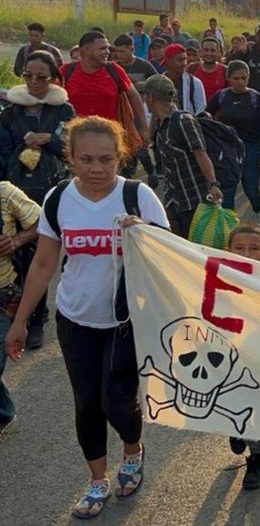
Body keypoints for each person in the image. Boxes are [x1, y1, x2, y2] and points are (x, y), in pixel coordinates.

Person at [4, 116, 170, 519]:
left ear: (121, 158)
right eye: (87, 160)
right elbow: (44, 263)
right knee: (86, 405)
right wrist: (20, 320)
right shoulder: (59, 199)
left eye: (107, 160)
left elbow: (171, 256)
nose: (97, 169)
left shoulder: (137, 196)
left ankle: (132, 451)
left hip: (125, 319)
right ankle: (97, 481)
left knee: (117, 402)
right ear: (71, 159)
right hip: (74, 317)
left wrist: (143, 233)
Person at [0, 50, 74, 349]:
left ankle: (37, 318)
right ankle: (13, 312)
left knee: (39, 255)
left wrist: (47, 139)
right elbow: (2, 153)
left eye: (41, 77)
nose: (33, 82)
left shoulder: (64, 110)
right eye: (28, 76)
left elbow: (70, 146)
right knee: (11, 252)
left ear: (53, 79)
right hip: (13, 192)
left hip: (49, 192)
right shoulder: (10, 113)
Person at [143, 75, 223, 237]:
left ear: (150, 97)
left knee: (195, 251)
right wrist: (156, 117)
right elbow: (148, 138)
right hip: (174, 200)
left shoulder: (183, 120)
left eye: (145, 95)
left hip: (194, 200)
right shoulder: (161, 123)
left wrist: (214, 184)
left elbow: (200, 153)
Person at [224, 224, 260, 489]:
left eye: (254, 249)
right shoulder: (215, 277)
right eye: (239, 248)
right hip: (227, 357)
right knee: (231, 402)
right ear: (227, 250)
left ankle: (257, 457)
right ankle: (235, 429)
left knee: (255, 406)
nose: (247, 253)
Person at [0, 178, 42, 435]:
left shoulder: (4, 192)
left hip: (4, 294)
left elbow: (44, 221)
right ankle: (4, 412)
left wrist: (17, 240)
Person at [206, 61, 260, 221]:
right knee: (227, 190)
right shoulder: (221, 97)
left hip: (250, 148)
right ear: (228, 78)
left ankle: (257, 208)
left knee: (251, 188)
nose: (241, 82)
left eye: (244, 78)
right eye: (236, 78)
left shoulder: (256, 98)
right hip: (227, 150)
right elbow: (206, 118)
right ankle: (230, 224)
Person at [60, 31, 149, 144]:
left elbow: (134, 97)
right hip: (75, 140)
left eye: (107, 48)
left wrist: (144, 128)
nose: (108, 52)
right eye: (102, 48)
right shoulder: (66, 71)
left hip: (110, 140)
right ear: (86, 50)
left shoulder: (115, 70)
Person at [162, 44, 206, 115]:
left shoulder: (194, 83)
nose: (184, 63)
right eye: (180, 60)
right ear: (168, 61)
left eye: (185, 59)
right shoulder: (159, 83)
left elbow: (201, 111)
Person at [188, 37, 228, 103]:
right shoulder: (191, 68)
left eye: (212, 50)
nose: (209, 53)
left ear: (218, 52)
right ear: (200, 52)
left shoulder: (225, 71)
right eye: (206, 50)